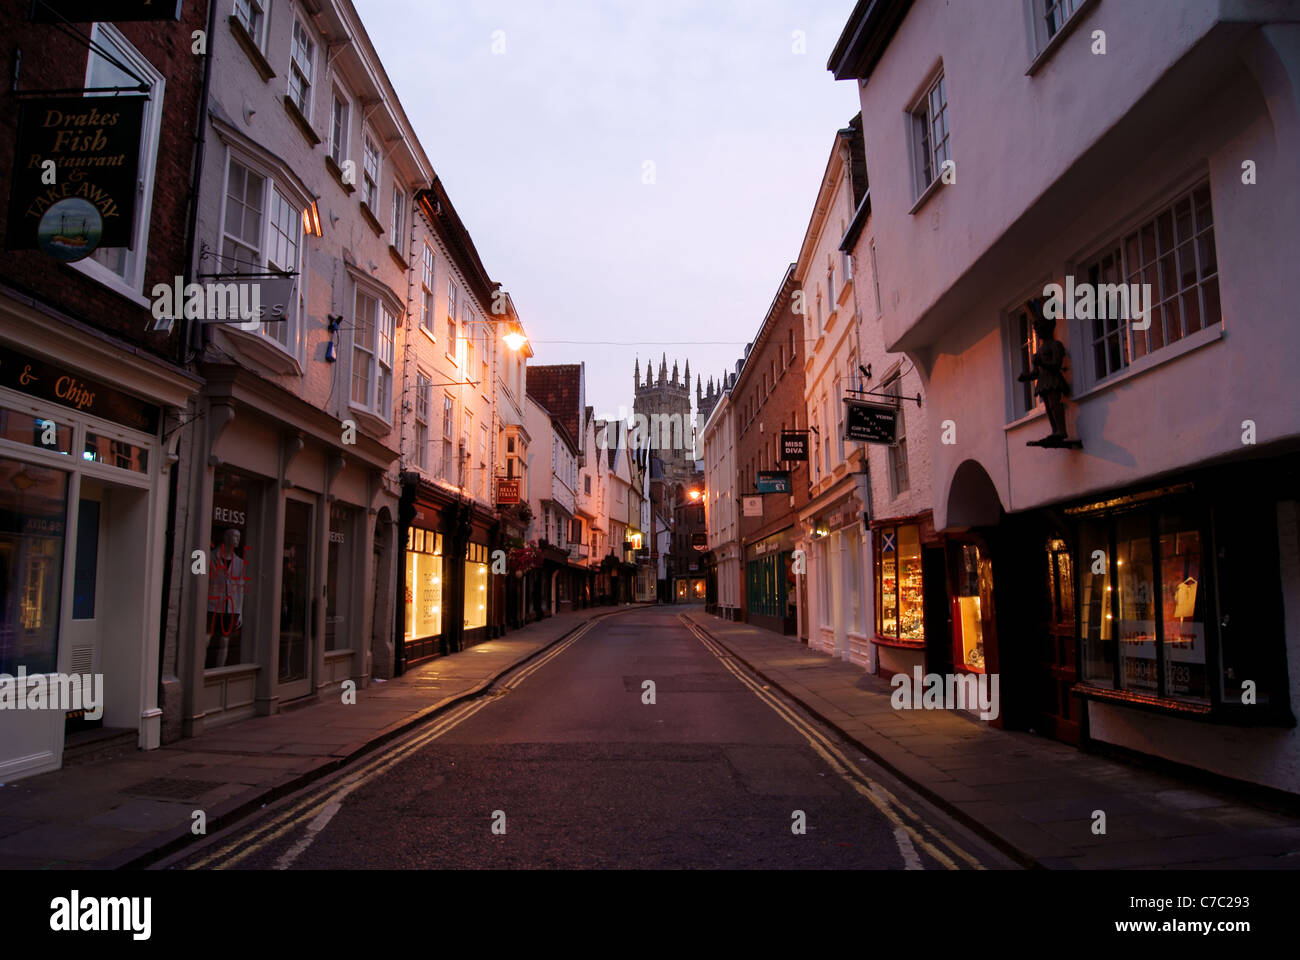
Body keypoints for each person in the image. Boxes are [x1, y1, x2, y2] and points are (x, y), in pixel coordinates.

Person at [207, 527, 247, 667]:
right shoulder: (210, 556)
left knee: (225, 641)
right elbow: (200, 579)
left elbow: (240, 588)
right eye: (234, 536)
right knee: (207, 637)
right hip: (212, 605)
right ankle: (200, 667)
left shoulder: (240, 562)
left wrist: (240, 611)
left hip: (231, 608)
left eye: (238, 537)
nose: (237, 540)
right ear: (226, 538)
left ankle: (220, 669)